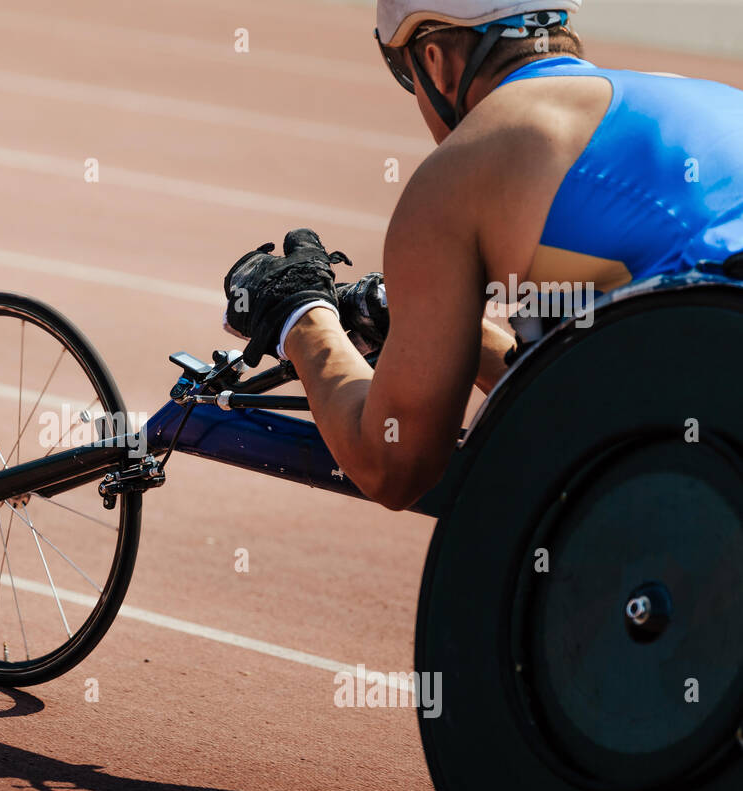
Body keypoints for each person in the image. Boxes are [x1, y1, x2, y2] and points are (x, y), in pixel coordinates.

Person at [222, 0, 743, 510]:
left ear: (434, 61)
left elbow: (394, 465)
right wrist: (454, 335)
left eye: (405, 75)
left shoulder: (465, 167)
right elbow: (592, 386)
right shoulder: (706, 98)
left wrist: (301, 317)